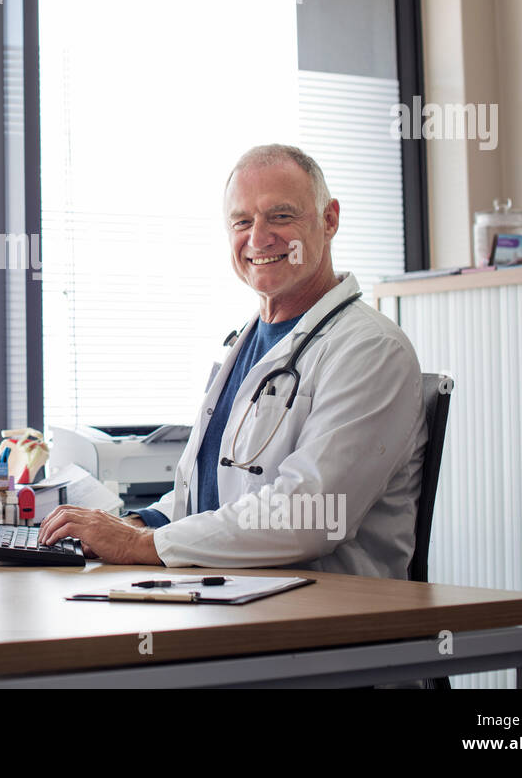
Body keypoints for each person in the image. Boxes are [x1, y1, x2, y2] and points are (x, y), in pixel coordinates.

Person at [38, 144, 427, 579]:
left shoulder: (371, 350)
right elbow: (212, 498)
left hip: (320, 611)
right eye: (242, 221)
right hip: (230, 592)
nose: (258, 238)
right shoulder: (247, 342)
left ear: (329, 219)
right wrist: (140, 524)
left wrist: (139, 545)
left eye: (280, 216)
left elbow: (311, 514)